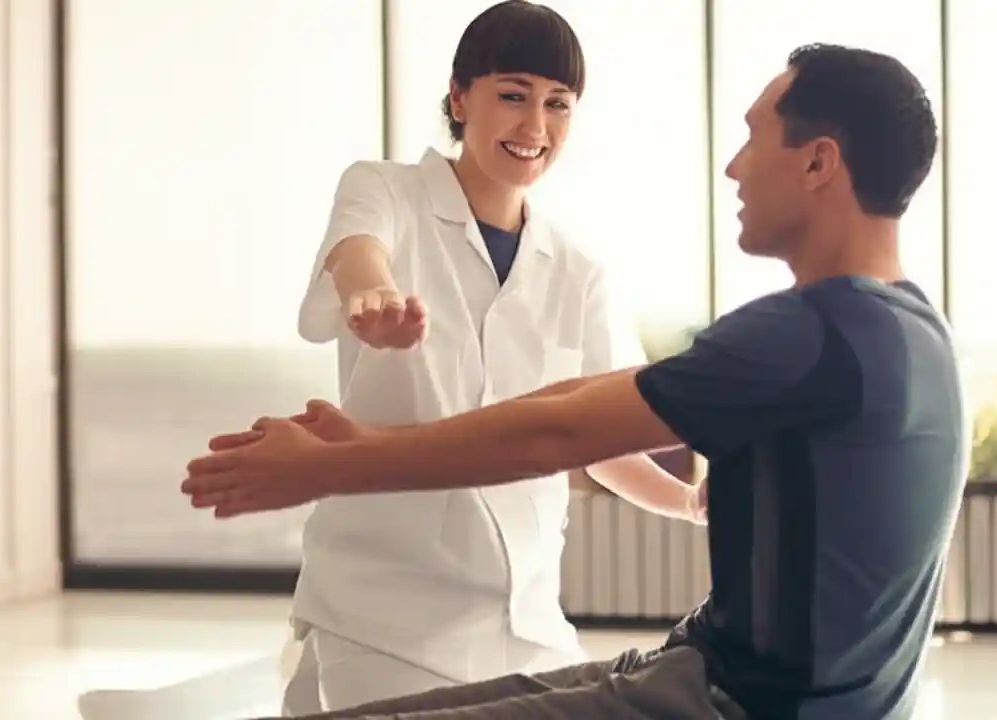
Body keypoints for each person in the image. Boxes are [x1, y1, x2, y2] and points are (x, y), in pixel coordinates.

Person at [184, 42, 964, 720]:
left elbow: (560, 434)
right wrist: (364, 440)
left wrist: (328, 466)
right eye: (513, 95)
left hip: (731, 702)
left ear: (819, 162)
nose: (733, 167)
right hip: (713, 672)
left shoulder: (805, 333)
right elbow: (582, 401)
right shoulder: (909, 327)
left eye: (753, 138)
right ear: (460, 100)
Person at [280, 0, 706, 714]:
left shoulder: (577, 268)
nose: (535, 126)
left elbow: (601, 438)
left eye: (557, 104)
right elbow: (358, 250)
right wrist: (372, 297)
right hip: (380, 614)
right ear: (459, 98)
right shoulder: (386, 189)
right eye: (512, 95)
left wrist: (688, 504)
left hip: (526, 623)